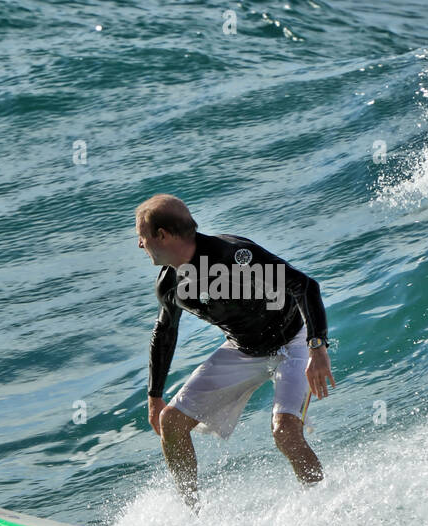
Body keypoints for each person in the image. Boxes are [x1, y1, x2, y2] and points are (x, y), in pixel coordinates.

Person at [136, 194, 335, 509]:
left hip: (292, 342)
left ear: (162, 235)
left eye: (142, 236)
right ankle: (192, 515)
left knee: (285, 432)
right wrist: (154, 396)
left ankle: (325, 509)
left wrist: (317, 346)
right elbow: (165, 331)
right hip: (242, 349)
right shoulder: (171, 283)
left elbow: (304, 286)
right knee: (171, 423)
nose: (140, 245)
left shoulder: (232, 255)